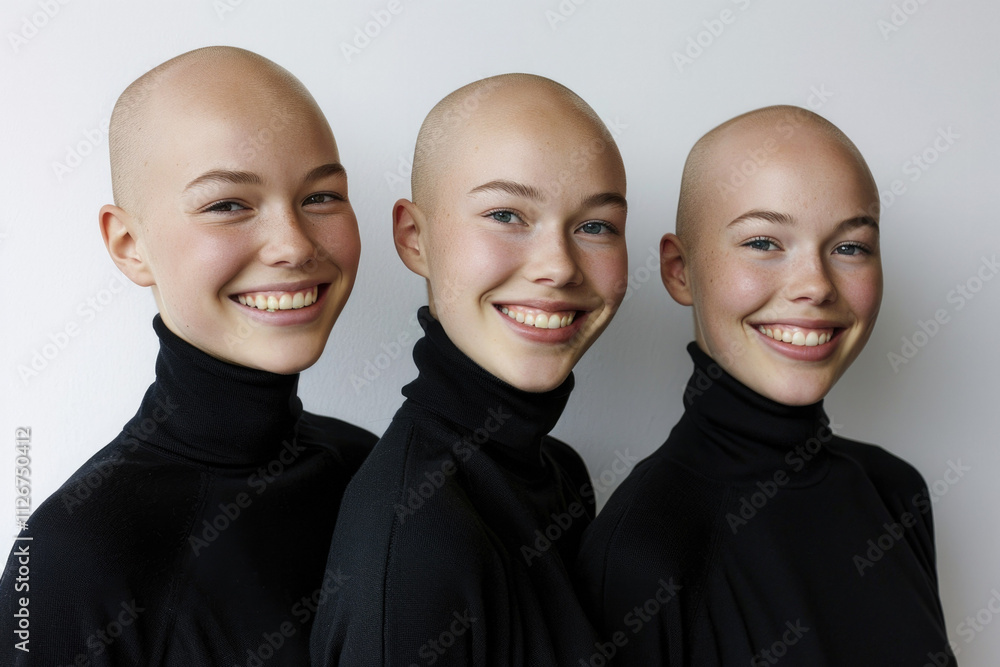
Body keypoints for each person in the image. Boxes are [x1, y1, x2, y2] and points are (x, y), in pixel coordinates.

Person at [0, 46, 377, 666]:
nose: (292, 245)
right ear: (129, 245)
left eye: (321, 197)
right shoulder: (73, 553)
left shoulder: (368, 467)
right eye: (228, 204)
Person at [575, 105, 954, 666]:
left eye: (849, 247)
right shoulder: (642, 546)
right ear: (680, 270)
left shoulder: (896, 492)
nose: (815, 286)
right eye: (763, 243)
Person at [310, 73, 628, 666]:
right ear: (414, 238)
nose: (559, 267)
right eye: (507, 214)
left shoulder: (560, 473)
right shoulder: (414, 542)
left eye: (595, 226)